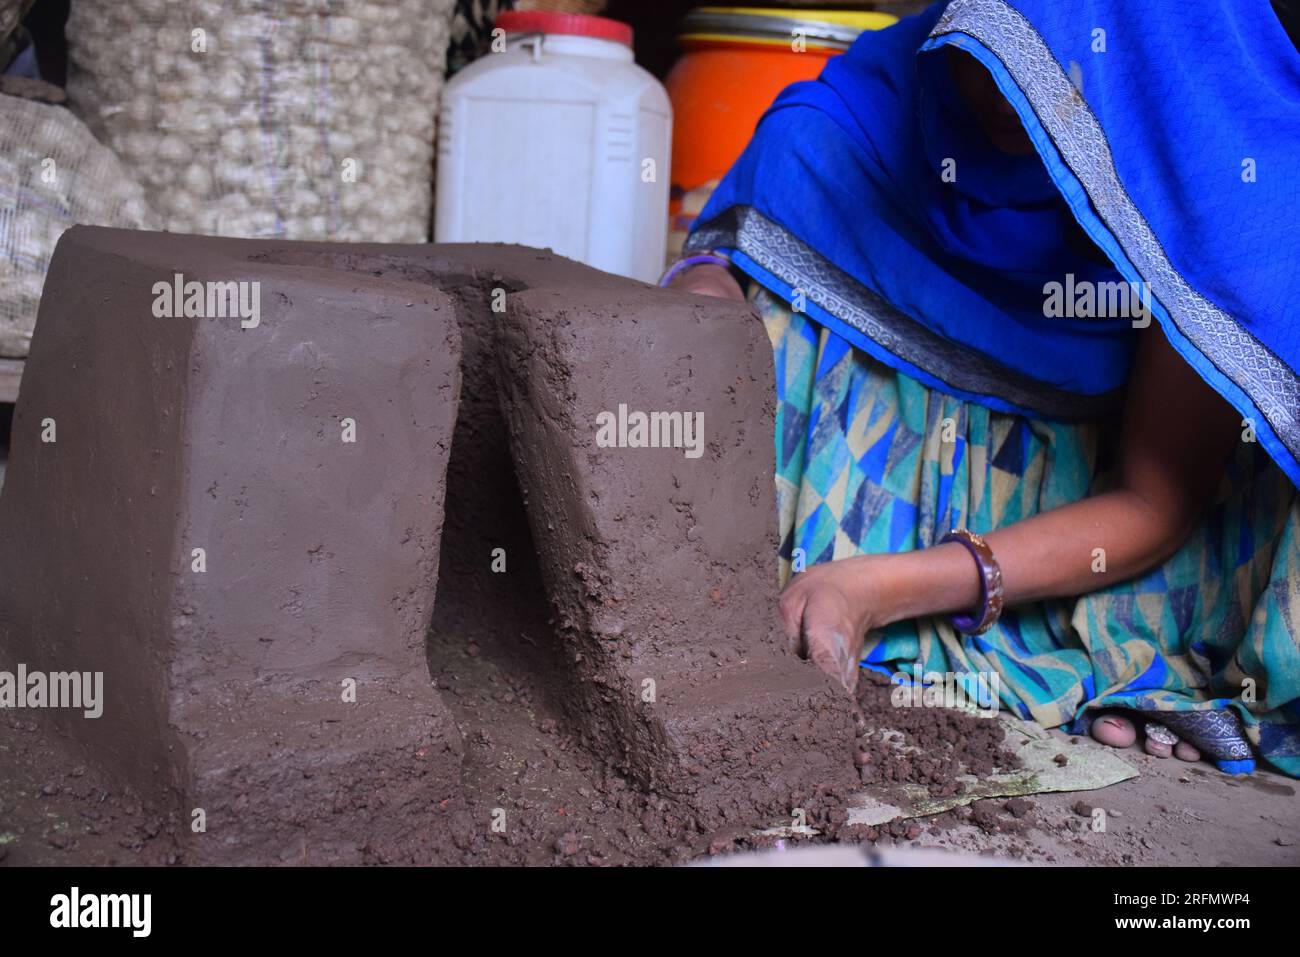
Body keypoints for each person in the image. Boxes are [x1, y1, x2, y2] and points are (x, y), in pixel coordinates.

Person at [668, 0, 1300, 776]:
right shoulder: (869, 109)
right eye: (992, 50)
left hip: (1099, 536)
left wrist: (874, 589)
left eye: (1051, 66)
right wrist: (702, 297)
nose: (1006, 97)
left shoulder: (1214, 183)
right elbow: (725, 256)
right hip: (893, 491)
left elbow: (1153, 504)